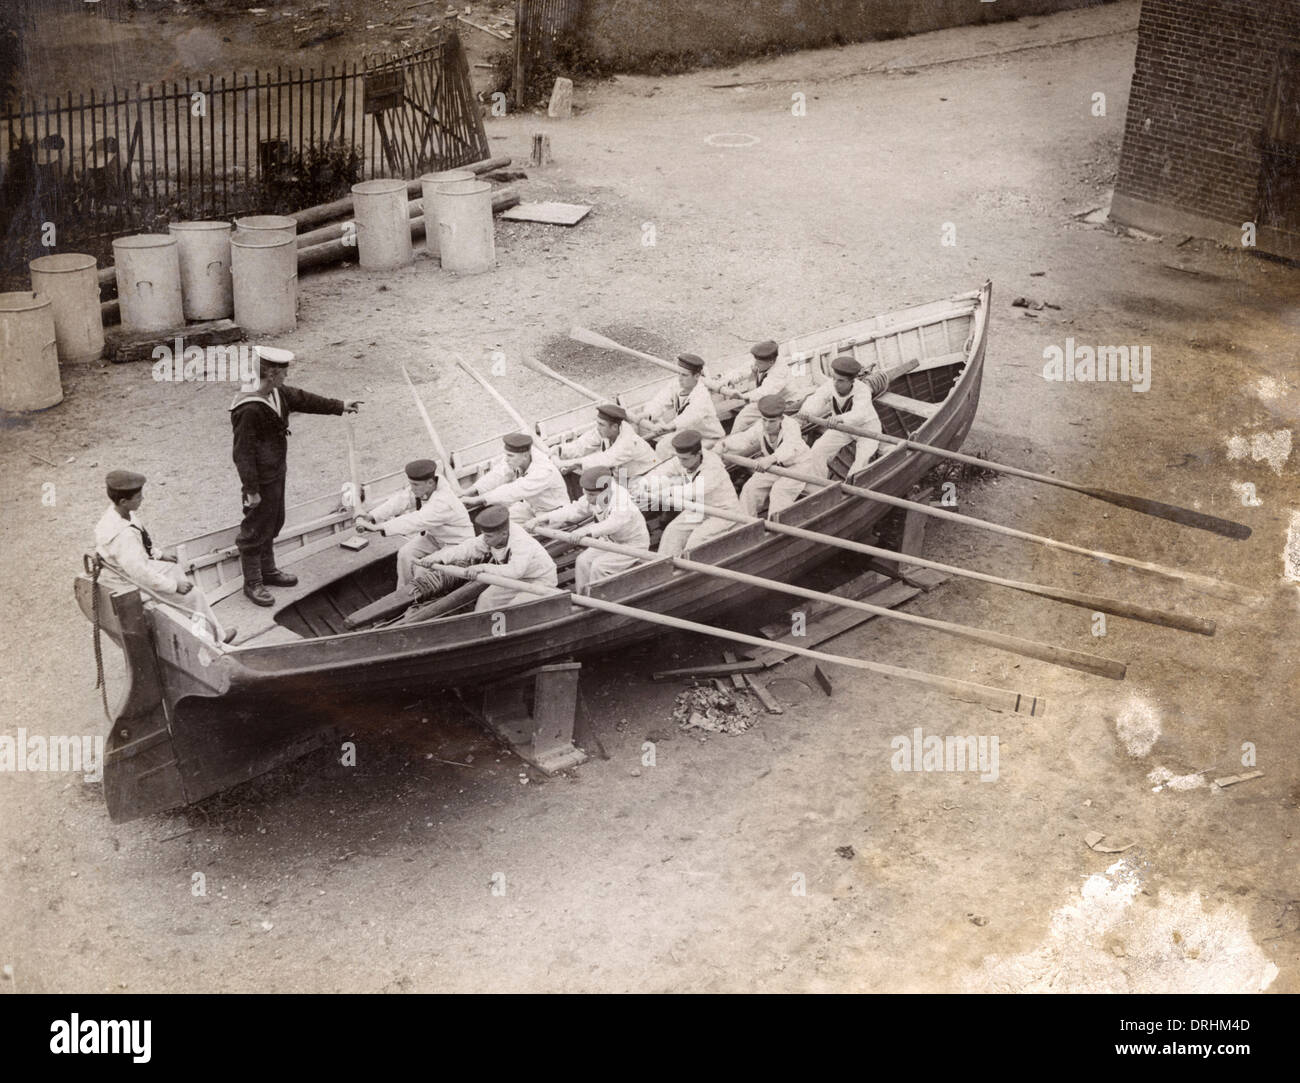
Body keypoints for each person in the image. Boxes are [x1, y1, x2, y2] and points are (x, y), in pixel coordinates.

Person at [230, 345, 361, 607]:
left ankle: (268, 571)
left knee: (275, 520)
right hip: (259, 479)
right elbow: (242, 453)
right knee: (254, 528)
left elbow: (304, 399)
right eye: (283, 373)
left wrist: (339, 406)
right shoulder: (248, 408)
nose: (286, 378)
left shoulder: (276, 393)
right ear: (271, 374)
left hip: (276, 471)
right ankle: (253, 581)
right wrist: (251, 489)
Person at [93, 470, 235, 642]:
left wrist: (158, 554)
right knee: (194, 597)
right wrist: (173, 587)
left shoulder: (118, 514)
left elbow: (140, 547)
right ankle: (214, 639)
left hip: (124, 571)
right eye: (138, 497)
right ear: (124, 501)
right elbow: (140, 574)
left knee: (174, 569)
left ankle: (184, 622)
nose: (142, 499)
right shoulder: (123, 536)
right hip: (126, 583)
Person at [410, 503, 558, 612]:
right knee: (486, 600)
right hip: (515, 580)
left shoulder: (521, 542)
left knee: (516, 607)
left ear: (504, 534)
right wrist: (438, 558)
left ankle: (503, 637)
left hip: (541, 580)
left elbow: (515, 571)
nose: (485, 539)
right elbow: (468, 548)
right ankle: (485, 634)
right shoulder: (494, 536)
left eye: (488, 536)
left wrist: (482, 567)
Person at [354, 458, 473, 591]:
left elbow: (415, 520)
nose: (412, 488)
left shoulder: (443, 501)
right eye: (411, 484)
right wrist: (372, 516)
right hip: (436, 537)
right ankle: (402, 593)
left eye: (415, 485)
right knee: (405, 554)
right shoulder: (427, 484)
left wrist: (379, 527)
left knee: (422, 569)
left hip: (458, 544)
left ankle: (418, 599)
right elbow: (400, 500)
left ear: (430, 483)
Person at [527, 467, 650, 594]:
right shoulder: (594, 494)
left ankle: (600, 599)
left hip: (633, 545)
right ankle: (583, 598)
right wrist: (542, 518)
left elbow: (612, 524)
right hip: (610, 541)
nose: (588, 499)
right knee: (582, 561)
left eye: (591, 495)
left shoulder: (622, 501)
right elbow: (573, 510)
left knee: (599, 567)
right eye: (586, 494)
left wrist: (585, 531)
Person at [640, 429, 741, 557]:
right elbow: (662, 470)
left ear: (698, 453)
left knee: (695, 541)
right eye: (679, 458)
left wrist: (664, 492)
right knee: (672, 532)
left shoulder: (713, 467)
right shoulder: (685, 458)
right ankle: (663, 567)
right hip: (699, 510)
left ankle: (689, 570)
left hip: (723, 513)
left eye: (685, 459)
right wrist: (645, 483)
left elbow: (692, 491)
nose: (681, 462)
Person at [721, 395, 825, 516]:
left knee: (780, 491)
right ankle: (746, 524)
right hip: (775, 467)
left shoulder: (791, 426)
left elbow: (789, 447)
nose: (766, 425)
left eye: (771, 422)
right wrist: (724, 445)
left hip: (798, 467)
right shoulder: (761, 425)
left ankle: (778, 528)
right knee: (750, 488)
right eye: (764, 420)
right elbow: (745, 438)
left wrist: (771, 458)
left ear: (781, 418)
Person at [796, 353, 887, 478]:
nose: (835, 383)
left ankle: (852, 488)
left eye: (840, 381)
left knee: (861, 462)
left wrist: (839, 418)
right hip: (841, 428)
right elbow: (817, 398)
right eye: (834, 378)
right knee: (817, 450)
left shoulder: (863, 390)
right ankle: (821, 485)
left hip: (866, 430)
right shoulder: (830, 386)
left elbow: (859, 414)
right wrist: (806, 411)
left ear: (852, 381)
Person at [461, 431, 569, 523]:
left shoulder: (543, 471)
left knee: (518, 537)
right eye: (506, 454)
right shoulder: (520, 455)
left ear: (525, 455)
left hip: (554, 513)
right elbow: (498, 473)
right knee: (499, 523)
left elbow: (513, 490)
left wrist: (478, 500)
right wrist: (470, 490)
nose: (506, 459)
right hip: (531, 508)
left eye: (510, 456)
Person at [627, 353, 724, 453]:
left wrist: (669, 426)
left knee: (678, 457)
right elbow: (660, 400)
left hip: (708, 439)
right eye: (679, 373)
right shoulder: (676, 384)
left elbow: (689, 416)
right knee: (662, 447)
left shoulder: (702, 395)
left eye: (685, 375)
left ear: (697, 376)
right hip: (687, 434)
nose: (680, 378)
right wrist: (646, 414)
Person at [553, 403, 656, 482]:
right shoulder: (605, 430)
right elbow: (581, 445)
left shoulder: (627, 442)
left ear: (614, 427)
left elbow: (602, 459)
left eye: (601, 424)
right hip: (623, 476)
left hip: (646, 477)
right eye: (597, 423)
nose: (598, 428)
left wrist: (563, 463)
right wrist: (559, 450)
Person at [709, 339, 790, 435]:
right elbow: (742, 370)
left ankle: (732, 441)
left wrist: (743, 396)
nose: (755, 364)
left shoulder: (780, 370)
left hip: (783, 402)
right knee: (738, 410)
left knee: (743, 417)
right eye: (756, 361)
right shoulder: (764, 360)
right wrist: (723, 380)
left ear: (771, 362)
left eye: (759, 363)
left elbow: (765, 391)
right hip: (766, 399)